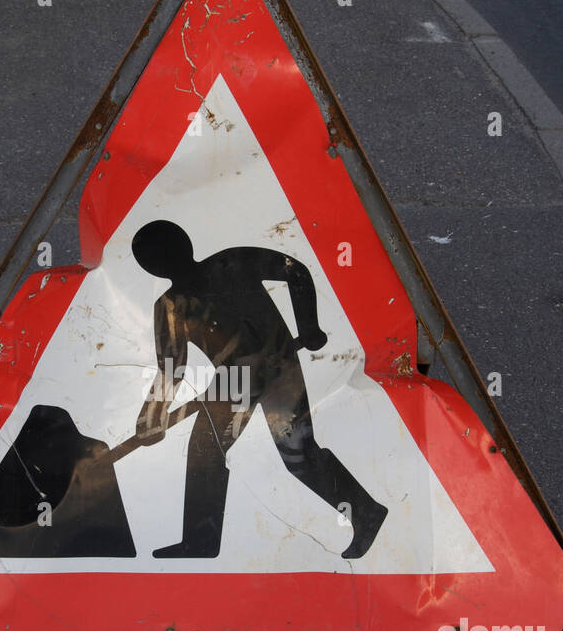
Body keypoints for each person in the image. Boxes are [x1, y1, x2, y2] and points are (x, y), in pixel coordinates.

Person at [131, 221, 387, 559]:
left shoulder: (228, 265)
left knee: (298, 455)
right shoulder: (174, 303)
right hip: (237, 380)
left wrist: (309, 327)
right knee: (208, 453)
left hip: (276, 365)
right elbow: (172, 368)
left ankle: (364, 510)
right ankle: (200, 538)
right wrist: (151, 415)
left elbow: (294, 271)